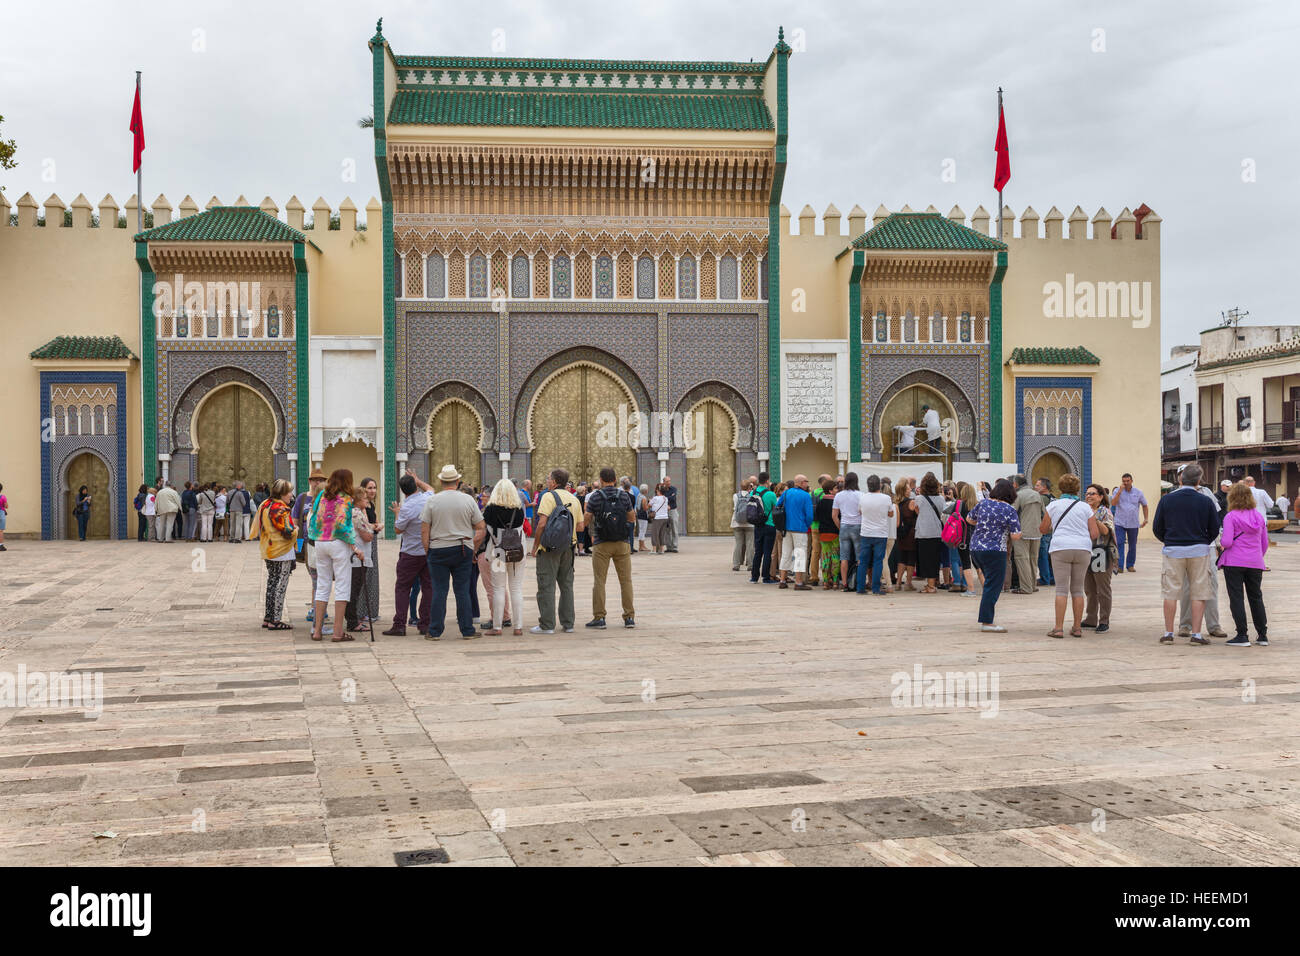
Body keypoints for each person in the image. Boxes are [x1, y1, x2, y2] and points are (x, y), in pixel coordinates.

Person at [1152, 463, 1222, 646]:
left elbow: (1157, 527)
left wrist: (1169, 540)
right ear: (1199, 480)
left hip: (1173, 550)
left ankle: (1168, 633)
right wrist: (1204, 541)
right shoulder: (1206, 501)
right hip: (1199, 550)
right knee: (1199, 592)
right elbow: (1215, 528)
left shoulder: (1167, 500)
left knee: (1170, 592)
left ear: (1180, 479)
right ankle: (1197, 635)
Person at [417, 464, 486, 640]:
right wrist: (474, 548)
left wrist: (428, 551)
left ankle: (434, 631)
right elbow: (481, 528)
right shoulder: (468, 500)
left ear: (441, 481)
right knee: (462, 590)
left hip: (438, 548)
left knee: (439, 590)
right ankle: (467, 630)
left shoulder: (432, 501)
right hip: (462, 548)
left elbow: (424, 529)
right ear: (457, 481)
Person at [308, 469, 367, 643]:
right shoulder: (346, 499)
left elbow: (312, 520)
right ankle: (337, 632)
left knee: (323, 585)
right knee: (342, 585)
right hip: (338, 543)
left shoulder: (321, 497)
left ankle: (317, 631)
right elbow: (343, 526)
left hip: (320, 542)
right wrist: (355, 547)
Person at [1042, 473, 1096, 638]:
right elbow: (1094, 533)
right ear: (1077, 489)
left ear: (1060, 488)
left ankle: (1058, 628)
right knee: (1078, 590)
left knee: (1061, 590)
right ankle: (1077, 627)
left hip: (1060, 548)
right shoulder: (1085, 507)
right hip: (1082, 549)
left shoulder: (1053, 505)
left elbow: (1043, 529)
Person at [530, 468, 583, 635]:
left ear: (554, 482)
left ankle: (547, 624)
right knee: (567, 585)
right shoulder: (574, 499)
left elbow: (541, 524)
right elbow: (581, 526)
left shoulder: (548, 496)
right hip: (569, 547)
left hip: (549, 548)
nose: (547, 481)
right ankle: (568, 624)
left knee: (546, 584)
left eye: (548, 479)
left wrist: (535, 545)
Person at [382, 470, 435, 636]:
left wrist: (397, 512)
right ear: (415, 486)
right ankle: (425, 623)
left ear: (403, 490)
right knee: (428, 587)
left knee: (403, 588)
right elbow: (431, 488)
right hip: (427, 551)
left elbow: (398, 529)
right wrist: (418, 479)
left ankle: (399, 624)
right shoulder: (428, 499)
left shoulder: (407, 507)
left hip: (410, 553)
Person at [1218, 481, 1270, 646]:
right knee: (1256, 597)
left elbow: (1227, 542)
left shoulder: (1231, 516)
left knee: (1237, 598)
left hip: (1234, 562)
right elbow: (1265, 543)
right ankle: (1262, 635)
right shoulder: (1258, 517)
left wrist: (1221, 545)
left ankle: (1242, 635)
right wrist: (1255, 556)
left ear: (1232, 498)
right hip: (1255, 562)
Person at [585, 466, 637, 627]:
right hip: (622, 543)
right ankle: (629, 617)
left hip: (602, 543)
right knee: (626, 581)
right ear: (615, 480)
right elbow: (631, 517)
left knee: (600, 581)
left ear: (601, 480)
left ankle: (599, 617)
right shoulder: (624, 496)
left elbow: (587, 519)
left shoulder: (595, 497)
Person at [968, 479, 1022, 632]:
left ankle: (986, 618)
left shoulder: (983, 503)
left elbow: (969, 519)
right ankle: (987, 622)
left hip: (976, 548)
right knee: (993, 586)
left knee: (989, 584)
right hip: (995, 550)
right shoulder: (1009, 509)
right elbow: (1016, 535)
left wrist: (984, 526)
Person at [482, 477, 526, 636]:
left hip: (497, 553)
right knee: (516, 588)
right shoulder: (519, 509)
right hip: (517, 552)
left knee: (498, 588)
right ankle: (518, 627)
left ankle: (497, 627)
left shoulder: (490, 510)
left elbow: (486, 531)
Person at [254, 478, 297, 630]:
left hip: (268, 548)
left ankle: (268, 617)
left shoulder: (265, 504)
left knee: (272, 582)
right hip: (281, 550)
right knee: (280, 584)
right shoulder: (280, 508)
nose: (291, 495)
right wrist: (296, 529)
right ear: (283, 493)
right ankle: (276, 620)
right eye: (289, 492)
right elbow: (287, 530)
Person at [1081, 483, 1117, 633]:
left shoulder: (1105, 512)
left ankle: (1104, 620)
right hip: (1085, 551)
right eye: (1087, 493)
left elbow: (1106, 531)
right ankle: (1090, 618)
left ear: (1101, 497)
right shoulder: (1082, 510)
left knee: (1103, 589)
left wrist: (1092, 517)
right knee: (1089, 588)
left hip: (1101, 552)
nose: (1089, 496)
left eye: (1093, 494)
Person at [343, 484, 375, 635]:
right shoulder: (357, 513)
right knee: (354, 590)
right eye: (363, 498)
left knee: (354, 589)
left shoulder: (354, 512)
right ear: (357, 500)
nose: (366, 500)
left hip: (355, 556)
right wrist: (372, 530)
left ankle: (352, 618)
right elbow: (367, 536)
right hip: (358, 557)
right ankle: (352, 621)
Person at [857, 474, 894, 595]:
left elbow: (860, 511)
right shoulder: (886, 498)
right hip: (880, 533)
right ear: (879, 485)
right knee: (878, 561)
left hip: (866, 533)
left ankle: (860, 587)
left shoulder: (863, 497)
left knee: (863, 561)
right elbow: (890, 514)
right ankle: (876, 588)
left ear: (868, 485)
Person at [776, 474, 814, 591]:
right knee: (800, 555)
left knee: (786, 554)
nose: (807, 483)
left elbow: (778, 506)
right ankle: (798, 582)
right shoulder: (806, 496)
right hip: (800, 529)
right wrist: (807, 525)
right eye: (806, 481)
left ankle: (782, 580)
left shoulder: (786, 493)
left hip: (787, 528)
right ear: (801, 483)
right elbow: (809, 515)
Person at [912, 472, 946, 593]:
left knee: (925, 559)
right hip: (936, 532)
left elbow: (916, 511)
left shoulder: (919, 498)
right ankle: (931, 584)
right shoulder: (941, 499)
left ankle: (931, 586)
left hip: (923, 532)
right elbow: (943, 511)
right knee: (934, 559)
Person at [1012, 474, 1045, 594]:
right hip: (1037, 531)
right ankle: (1032, 585)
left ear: (1016, 484)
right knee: (1033, 559)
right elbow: (1043, 512)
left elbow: (1013, 512)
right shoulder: (1036, 494)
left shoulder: (1018, 495)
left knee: (1022, 559)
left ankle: (1025, 587)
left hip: (1022, 531)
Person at [1110, 474, 1149, 572]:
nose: (1126, 483)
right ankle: (1119, 566)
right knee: (1119, 543)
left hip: (1133, 523)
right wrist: (1119, 491)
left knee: (1132, 545)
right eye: (1124, 481)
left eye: (1127, 481)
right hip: (1120, 523)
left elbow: (1145, 505)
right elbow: (1113, 503)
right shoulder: (1116, 491)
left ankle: (1130, 565)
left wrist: (1146, 518)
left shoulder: (1138, 492)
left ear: (1132, 481)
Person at [358, 477, 383, 625]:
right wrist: (376, 527)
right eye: (369, 488)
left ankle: (370, 611)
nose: (372, 491)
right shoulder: (362, 507)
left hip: (371, 542)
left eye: (374, 488)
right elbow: (365, 526)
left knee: (371, 576)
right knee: (365, 576)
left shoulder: (370, 505)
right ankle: (362, 612)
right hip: (364, 542)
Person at [832, 472, 862, 592]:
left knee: (844, 557)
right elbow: (863, 512)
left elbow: (834, 515)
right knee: (859, 557)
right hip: (858, 526)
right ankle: (858, 582)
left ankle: (844, 583)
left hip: (844, 526)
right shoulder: (861, 495)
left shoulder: (839, 495)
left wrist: (840, 527)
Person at [747, 472, 778, 584]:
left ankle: (754, 577)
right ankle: (766, 577)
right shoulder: (770, 494)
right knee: (767, 552)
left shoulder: (753, 493)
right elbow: (776, 507)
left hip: (757, 525)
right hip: (769, 525)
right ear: (767, 481)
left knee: (758, 551)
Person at [949, 481, 978, 596]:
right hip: (976, 538)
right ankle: (984, 587)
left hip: (963, 538)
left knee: (965, 563)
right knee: (977, 565)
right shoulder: (978, 505)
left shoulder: (959, 505)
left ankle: (970, 589)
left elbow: (952, 518)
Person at [890, 480, 917, 592]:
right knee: (911, 558)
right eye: (908, 488)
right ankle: (908, 583)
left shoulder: (896, 503)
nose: (910, 489)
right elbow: (918, 515)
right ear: (904, 491)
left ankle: (898, 583)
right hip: (911, 533)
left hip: (900, 533)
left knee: (902, 558)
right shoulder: (911, 502)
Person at [815, 477, 840, 590]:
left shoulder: (820, 502)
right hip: (835, 533)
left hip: (823, 533)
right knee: (835, 557)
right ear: (830, 490)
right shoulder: (836, 502)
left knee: (825, 557)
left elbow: (817, 517)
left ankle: (825, 582)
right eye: (835, 488)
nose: (837, 490)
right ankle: (835, 582)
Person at [731, 477, 756, 571]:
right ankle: (750, 565)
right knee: (750, 544)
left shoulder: (735, 496)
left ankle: (736, 565)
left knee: (738, 544)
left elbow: (735, 508)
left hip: (737, 522)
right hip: (750, 523)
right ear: (749, 487)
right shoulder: (752, 496)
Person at [1035, 477, 1055, 586]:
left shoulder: (1041, 498)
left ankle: (1044, 578)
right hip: (1052, 530)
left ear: (1044, 487)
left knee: (1042, 556)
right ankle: (1052, 577)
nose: (1035, 487)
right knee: (1049, 556)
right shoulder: (1053, 498)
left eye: (1038, 485)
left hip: (1043, 529)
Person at [648, 485, 671, 554]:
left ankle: (654, 550)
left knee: (655, 534)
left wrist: (650, 500)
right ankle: (662, 549)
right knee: (662, 534)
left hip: (657, 518)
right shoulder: (665, 498)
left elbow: (649, 505)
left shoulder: (655, 498)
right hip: (665, 517)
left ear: (659, 491)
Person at [662, 476, 680, 552]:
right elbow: (660, 498)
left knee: (674, 529)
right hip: (664, 511)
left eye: (669, 481)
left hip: (673, 511)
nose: (669, 482)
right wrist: (668, 497)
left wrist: (666, 498)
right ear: (664, 482)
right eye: (667, 481)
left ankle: (675, 547)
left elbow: (673, 498)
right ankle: (669, 547)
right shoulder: (661, 490)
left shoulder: (673, 489)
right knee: (667, 530)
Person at [636, 483, 651, 552]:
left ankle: (642, 545)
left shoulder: (639, 496)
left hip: (639, 515)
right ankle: (641, 546)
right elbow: (645, 508)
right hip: (643, 516)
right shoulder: (644, 498)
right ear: (645, 491)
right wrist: (650, 504)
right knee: (642, 531)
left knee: (641, 530)